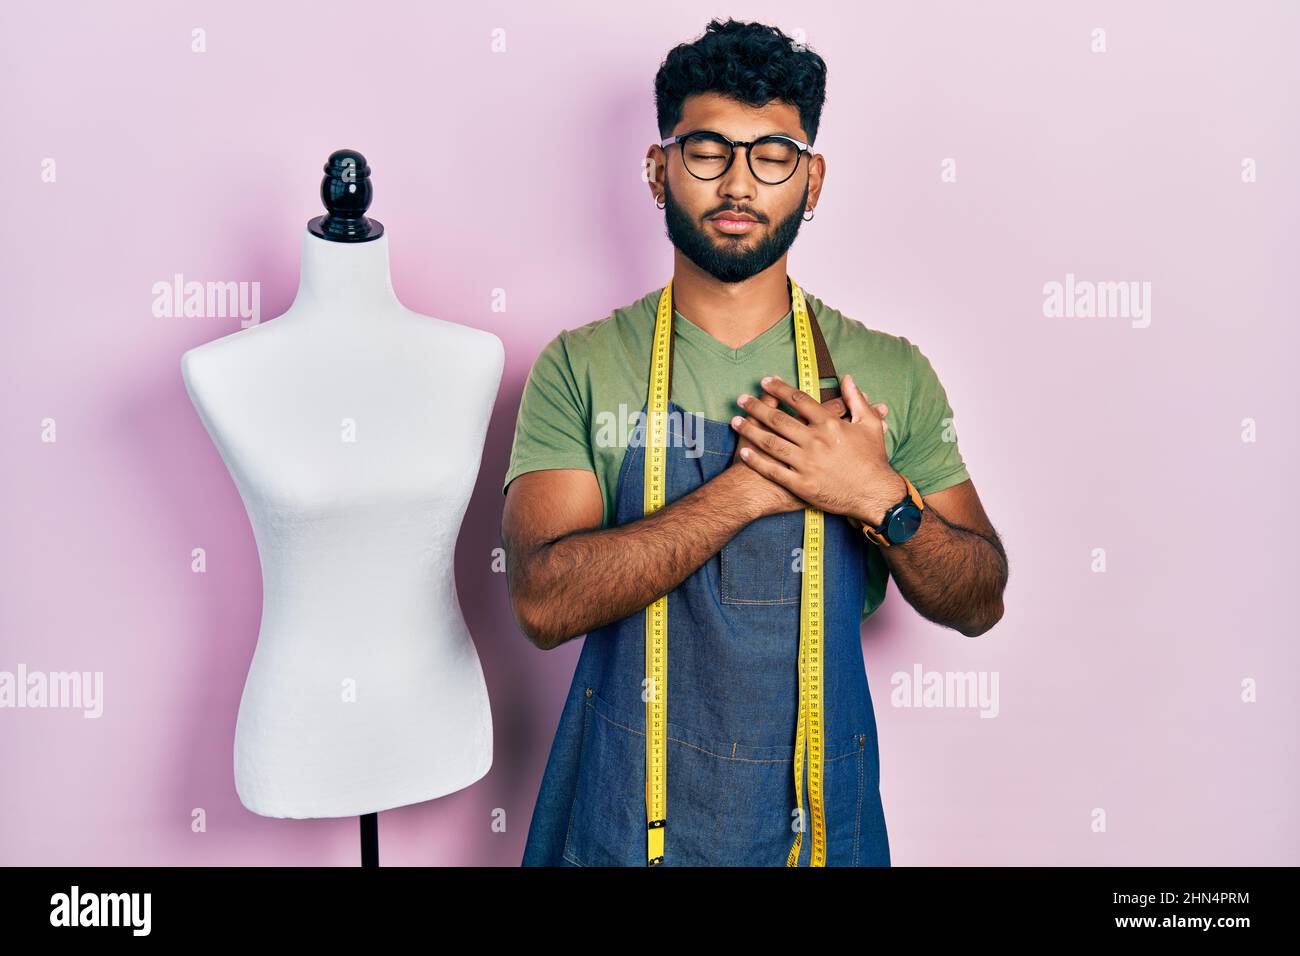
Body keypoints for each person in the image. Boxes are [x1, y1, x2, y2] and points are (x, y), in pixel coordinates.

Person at [502, 18, 1008, 867]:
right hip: (625, 825)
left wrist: (878, 497)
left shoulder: (888, 370)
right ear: (659, 171)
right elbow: (542, 604)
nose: (739, 183)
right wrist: (755, 487)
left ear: (810, 182)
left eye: (773, 156)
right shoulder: (581, 366)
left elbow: (980, 598)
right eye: (707, 151)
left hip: (819, 831)